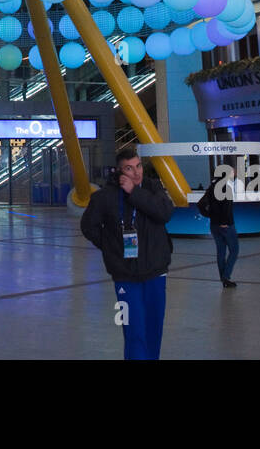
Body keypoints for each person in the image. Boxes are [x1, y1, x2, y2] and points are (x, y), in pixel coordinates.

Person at [80, 147, 174, 360]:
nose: (136, 172)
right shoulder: (105, 197)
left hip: (156, 273)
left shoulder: (153, 187)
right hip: (125, 277)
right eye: (129, 168)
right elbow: (88, 226)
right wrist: (112, 248)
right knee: (134, 332)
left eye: (138, 166)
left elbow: (165, 213)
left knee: (153, 331)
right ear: (119, 171)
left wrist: (135, 191)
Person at [197, 163, 240, 287]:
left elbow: (200, 205)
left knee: (221, 251)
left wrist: (210, 215)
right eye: (232, 172)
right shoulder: (227, 188)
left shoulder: (211, 187)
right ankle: (226, 277)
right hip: (226, 225)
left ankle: (224, 279)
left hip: (214, 225)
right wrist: (224, 222)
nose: (234, 174)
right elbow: (227, 209)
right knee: (234, 250)